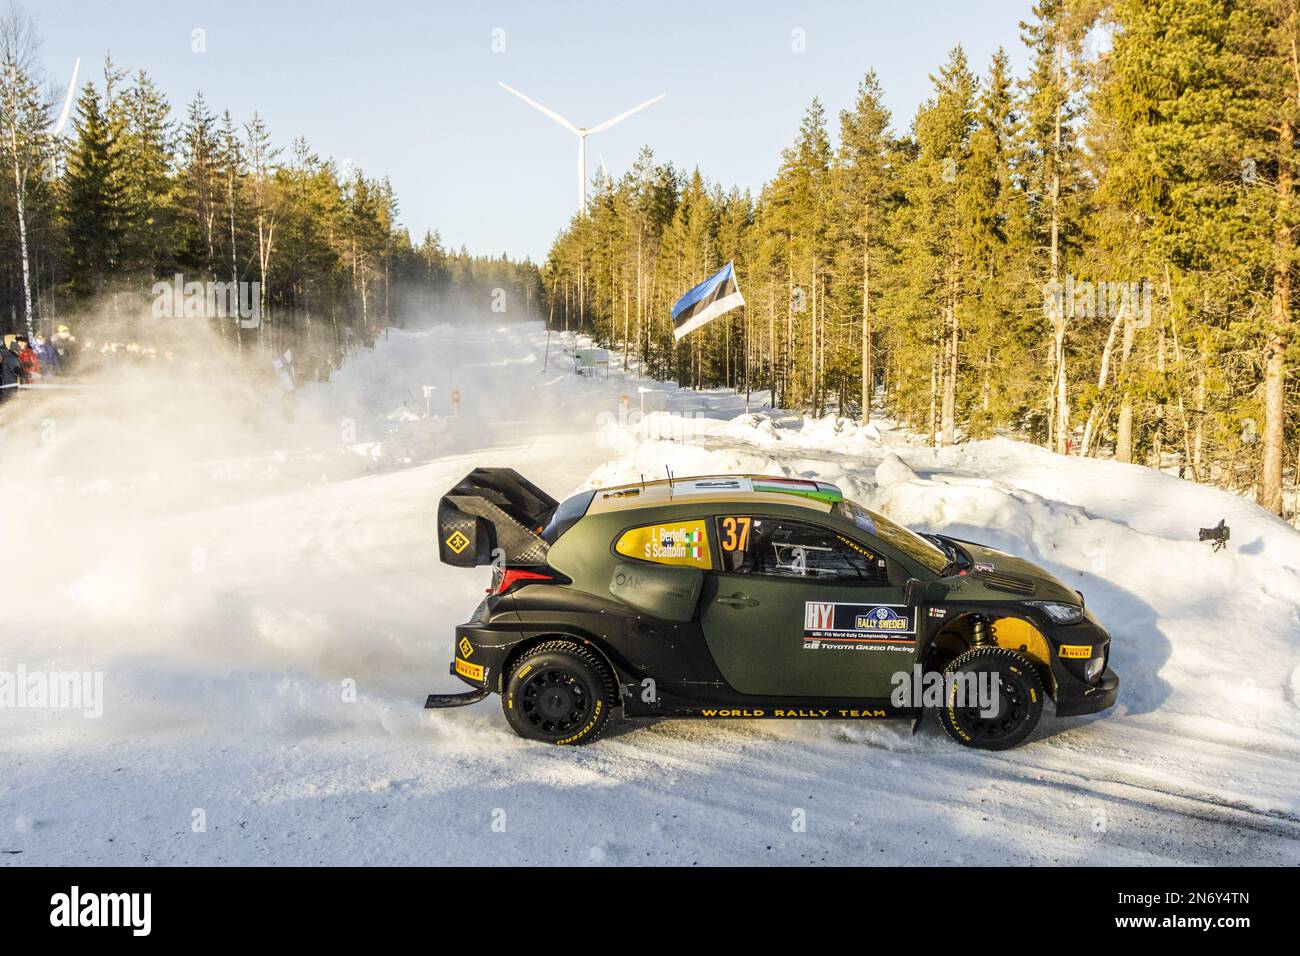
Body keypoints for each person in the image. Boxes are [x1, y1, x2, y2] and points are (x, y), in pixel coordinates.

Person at [0, 334, 24, 402]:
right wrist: (29, 375)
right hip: (11, 390)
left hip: (9, 388)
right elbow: (18, 371)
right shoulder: (11, 357)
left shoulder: (9, 356)